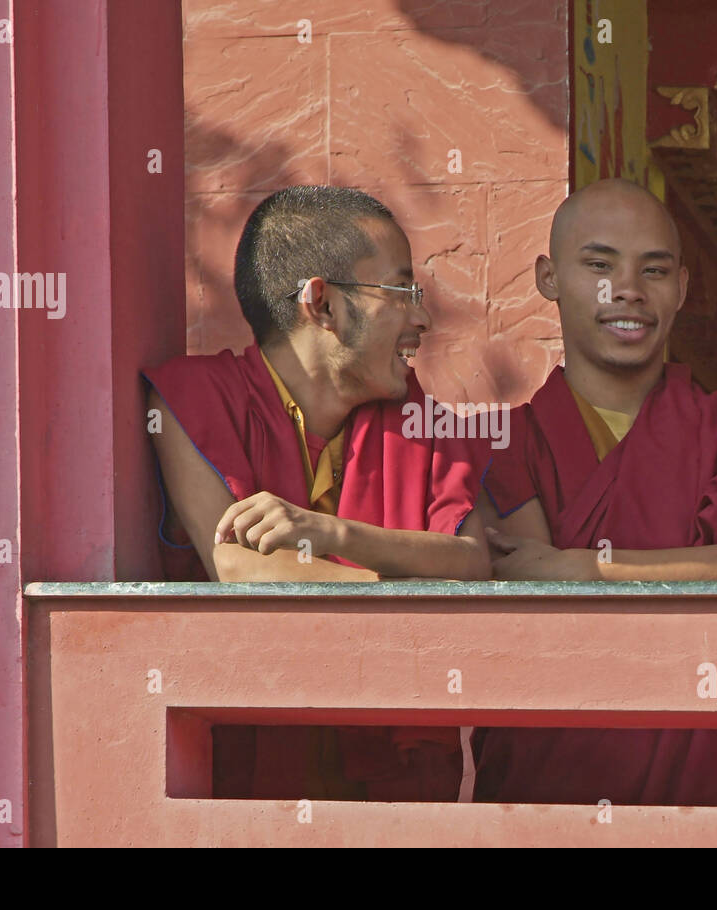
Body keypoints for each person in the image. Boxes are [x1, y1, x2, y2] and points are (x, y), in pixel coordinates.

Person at [470, 178, 717, 808]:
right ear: (549, 278)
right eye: (600, 265)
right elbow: (537, 612)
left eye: (654, 270)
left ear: (682, 288)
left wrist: (588, 568)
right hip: (557, 797)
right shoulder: (498, 448)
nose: (628, 290)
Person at [144, 185, 488, 801]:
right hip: (247, 778)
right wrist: (412, 590)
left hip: (394, 802)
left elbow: (471, 561)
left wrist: (331, 534)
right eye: (402, 291)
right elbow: (237, 566)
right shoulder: (192, 400)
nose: (422, 318)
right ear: (323, 304)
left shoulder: (421, 427)